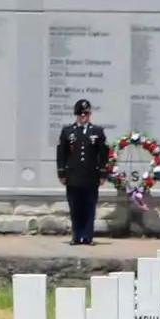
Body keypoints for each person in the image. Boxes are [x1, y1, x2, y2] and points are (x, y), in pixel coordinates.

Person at [56, 99, 110, 245]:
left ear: (90, 114)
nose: (83, 116)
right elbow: (62, 153)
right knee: (75, 207)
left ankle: (87, 236)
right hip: (73, 176)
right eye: (80, 113)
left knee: (89, 206)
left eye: (86, 113)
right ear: (76, 114)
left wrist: (103, 173)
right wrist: (61, 172)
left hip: (91, 176)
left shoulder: (97, 132)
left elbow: (103, 154)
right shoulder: (68, 131)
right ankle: (76, 235)